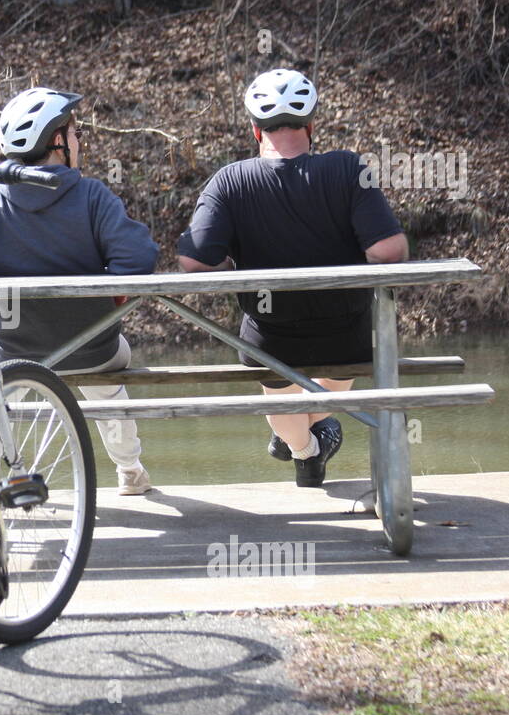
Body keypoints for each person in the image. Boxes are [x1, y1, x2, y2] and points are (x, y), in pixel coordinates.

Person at [175, 68, 408, 487]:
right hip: (347, 332)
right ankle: (308, 447)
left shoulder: (230, 181)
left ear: (254, 130)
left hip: (269, 340)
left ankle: (303, 449)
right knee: (339, 358)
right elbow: (388, 252)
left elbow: (193, 262)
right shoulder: (349, 167)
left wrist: (233, 264)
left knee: (278, 385)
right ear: (312, 125)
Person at [0, 87, 159, 495]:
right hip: (93, 349)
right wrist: (105, 305)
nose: (80, 142)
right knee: (110, 374)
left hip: (12, 351)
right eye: (76, 133)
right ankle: (130, 470)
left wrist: (6, 307)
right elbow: (138, 261)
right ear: (58, 142)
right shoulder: (93, 196)